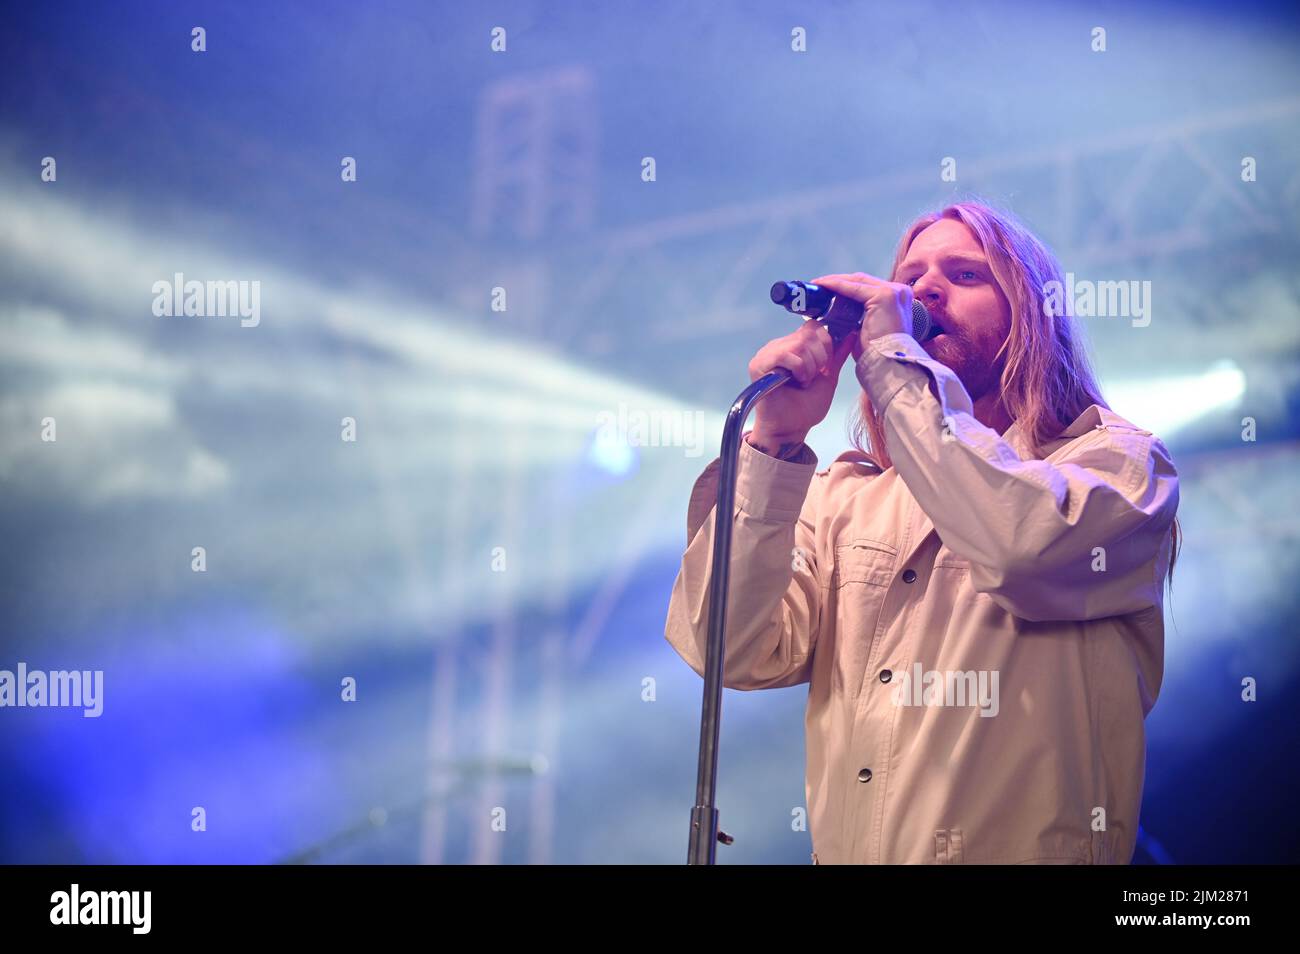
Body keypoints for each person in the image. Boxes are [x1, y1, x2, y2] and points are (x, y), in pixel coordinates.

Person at [663, 201, 1180, 864]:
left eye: (965, 275)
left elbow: (1016, 546)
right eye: (912, 277)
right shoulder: (850, 497)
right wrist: (776, 441)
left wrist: (893, 367)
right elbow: (726, 649)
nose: (925, 290)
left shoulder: (1118, 468)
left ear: (1030, 313)